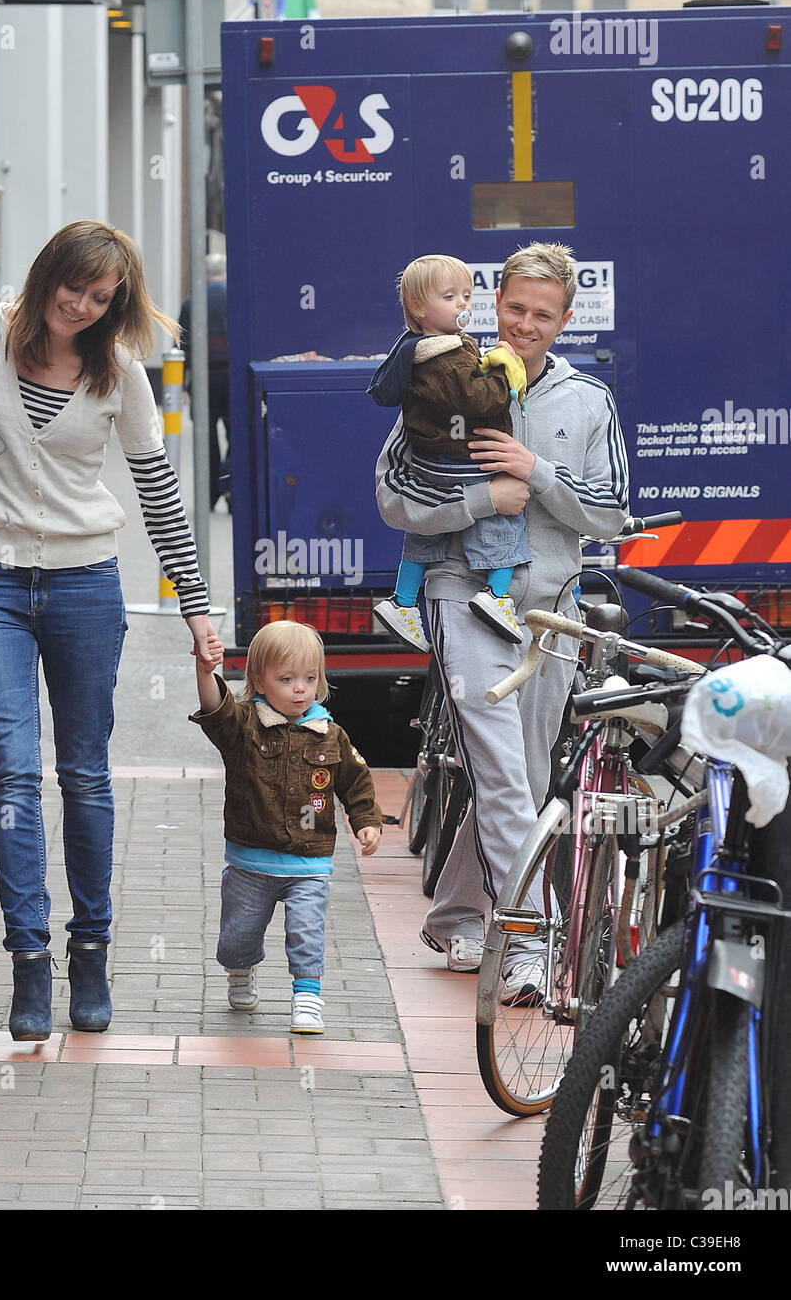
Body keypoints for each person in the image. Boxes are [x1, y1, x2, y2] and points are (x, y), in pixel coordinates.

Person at [0, 220, 221, 1040]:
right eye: (72, 287)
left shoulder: (120, 372)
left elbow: (160, 494)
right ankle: (29, 962)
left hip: (86, 584)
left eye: (100, 297)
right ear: (47, 277)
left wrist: (198, 610)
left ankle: (93, 951)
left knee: (84, 773)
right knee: (13, 767)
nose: (80, 305)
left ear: (116, 306)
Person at [375, 242, 629, 997]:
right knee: (504, 776)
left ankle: (456, 916)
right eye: (514, 308)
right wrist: (484, 500)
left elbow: (612, 513)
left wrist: (535, 472)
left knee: (514, 777)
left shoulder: (588, 401)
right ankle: (526, 948)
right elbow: (391, 498)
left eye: (541, 315)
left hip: (552, 612)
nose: (525, 324)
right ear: (495, 304)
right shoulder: (447, 371)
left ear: (565, 320)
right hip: (463, 596)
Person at [190, 620, 382, 1034]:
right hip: (250, 861)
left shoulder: (330, 735)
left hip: (309, 863)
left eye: (309, 678)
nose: (300, 688)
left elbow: (356, 781)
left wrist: (366, 821)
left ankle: (308, 997)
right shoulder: (244, 727)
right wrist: (206, 673)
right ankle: (240, 971)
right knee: (237, 938)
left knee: (306, 933)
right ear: (259, 680)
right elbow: (214, 710)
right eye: (287, 679)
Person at [369, 254, 531, 652]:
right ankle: (496, 595)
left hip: (430, 465)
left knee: (426, 532)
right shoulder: (444, 356)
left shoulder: (415, 350)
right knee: (504, 519)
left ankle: (404, 601)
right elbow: (477, 400)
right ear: (420, 309)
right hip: (464, 464)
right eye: (450, 296)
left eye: (466, 295)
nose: (463, 304)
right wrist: (503, 373)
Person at [179, 252, 230, 509]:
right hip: (233, 381)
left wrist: (184, 385)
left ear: (206, 274)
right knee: (237, 435)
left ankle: (209, 495)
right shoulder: (237, 299)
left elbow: (183, 346)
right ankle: (230, 484)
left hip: (204, 381)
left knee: (205, 438)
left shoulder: (191, 304)